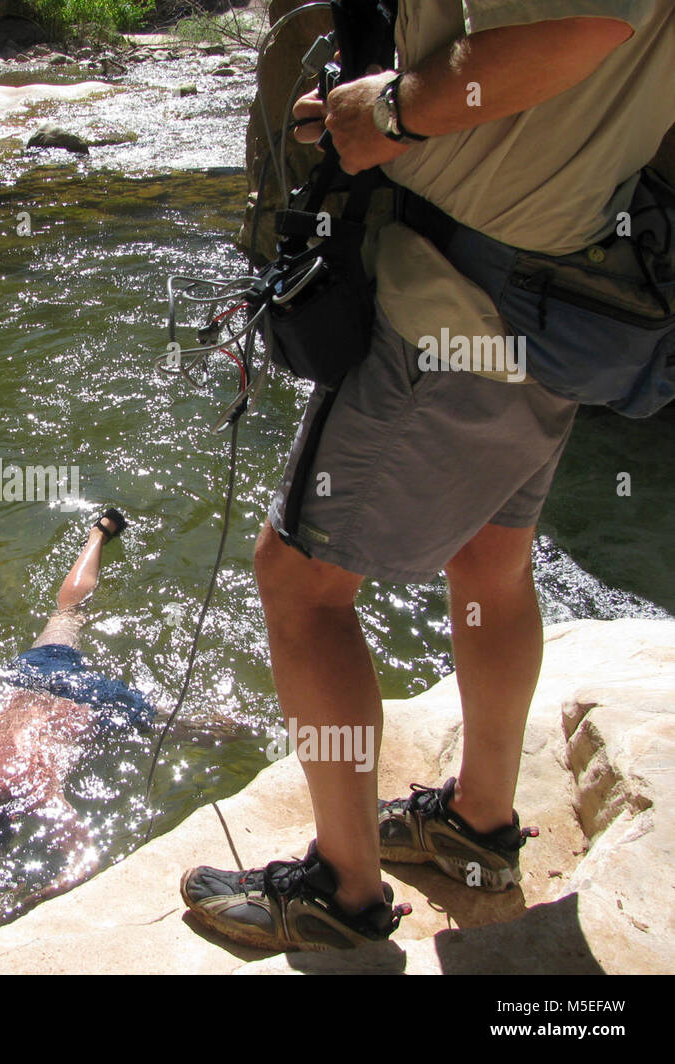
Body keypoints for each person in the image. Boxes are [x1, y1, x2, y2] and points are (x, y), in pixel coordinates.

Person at [180, 3, 675, 951]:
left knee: (302, 584)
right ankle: (477, 829)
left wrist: (393, 115)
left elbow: (580, 28)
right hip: (569, 285)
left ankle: (343, 890)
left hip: (459, 292)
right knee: (492, 557)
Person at [0, 509, 155, 895]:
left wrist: (29, 900)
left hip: (90, 702)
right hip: (34, 678)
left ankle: (243, 730)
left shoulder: (34, 793)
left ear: (15, 815)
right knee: (68, 612)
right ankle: (98, 535)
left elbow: (86, 859)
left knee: (177, 729)